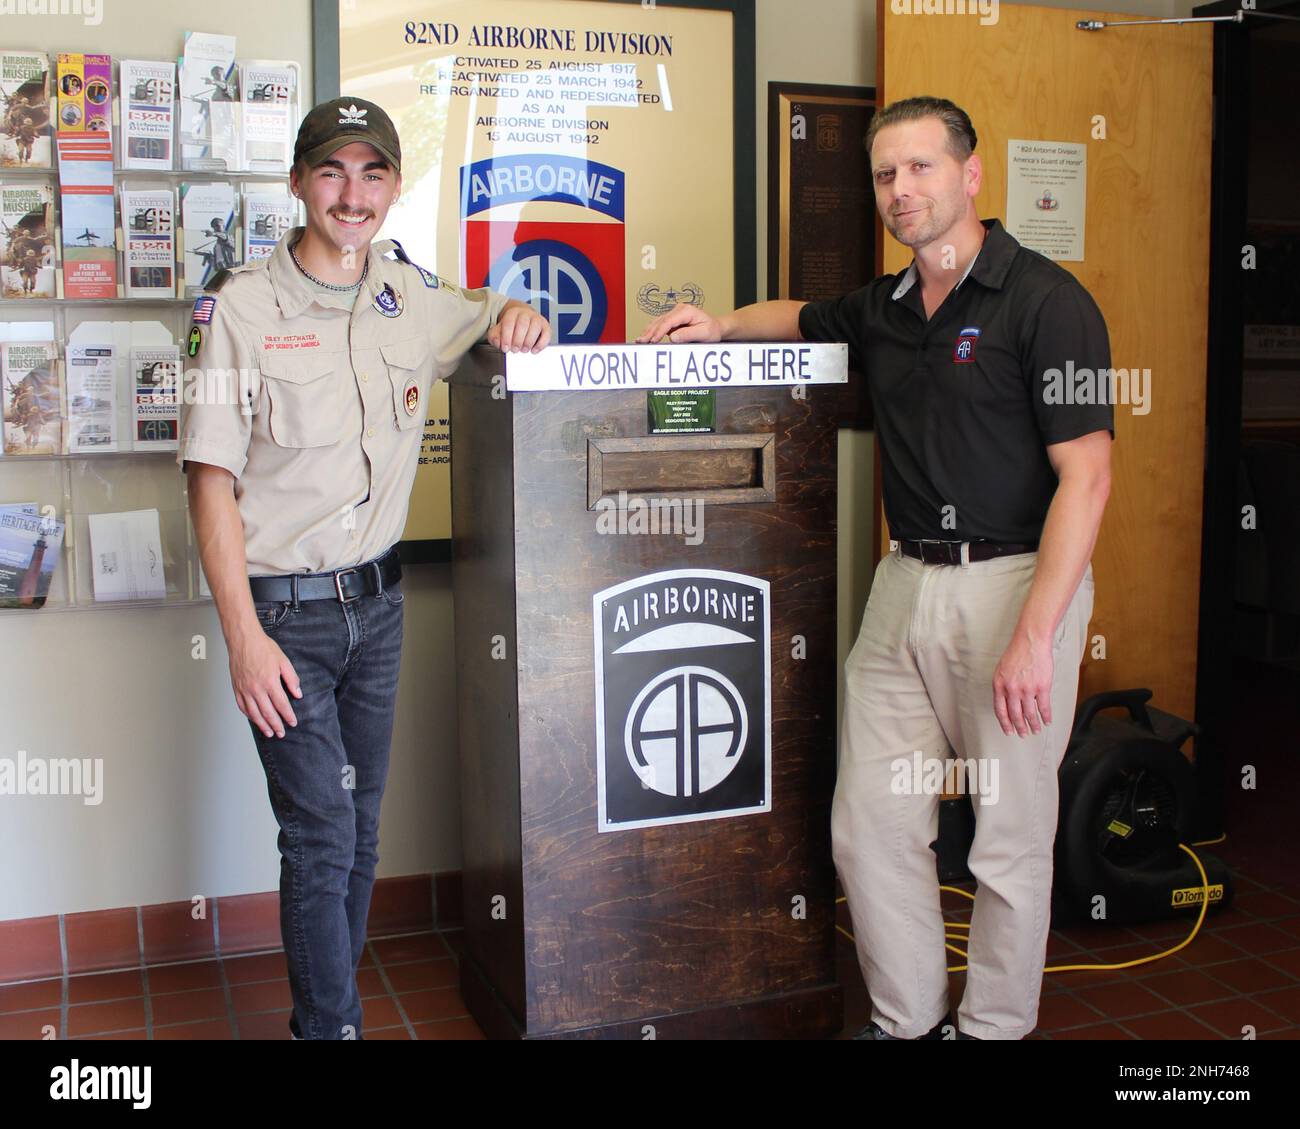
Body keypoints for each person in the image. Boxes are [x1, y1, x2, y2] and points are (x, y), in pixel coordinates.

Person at [639, 95, 1113, 1041]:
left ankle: (992, 1029)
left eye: (921, 168)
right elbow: (804, 314)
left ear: (971, 174)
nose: (902, 190)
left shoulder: (1049, 304)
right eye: (886, 174)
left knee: (1009, 842)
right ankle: (909, 1021)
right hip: (906, 586)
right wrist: (721, 324)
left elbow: (1089, 481)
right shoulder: (886, 305)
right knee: (870, 824)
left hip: (1017, 588)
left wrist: (1034, 639)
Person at [178, 95, 550, 1040]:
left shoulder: (406, 293)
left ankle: (327, 1019)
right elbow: (209, 483)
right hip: (285, 620)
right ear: (298, 181)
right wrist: (243, 640)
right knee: (320, 837)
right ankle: (332, 1028)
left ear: (391, 187)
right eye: (333, 171)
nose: (353, 194)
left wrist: (519, 312)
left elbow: (490, 311)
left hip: (376, 612)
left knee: (359, 835)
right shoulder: (238, 310)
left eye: (372, 173)